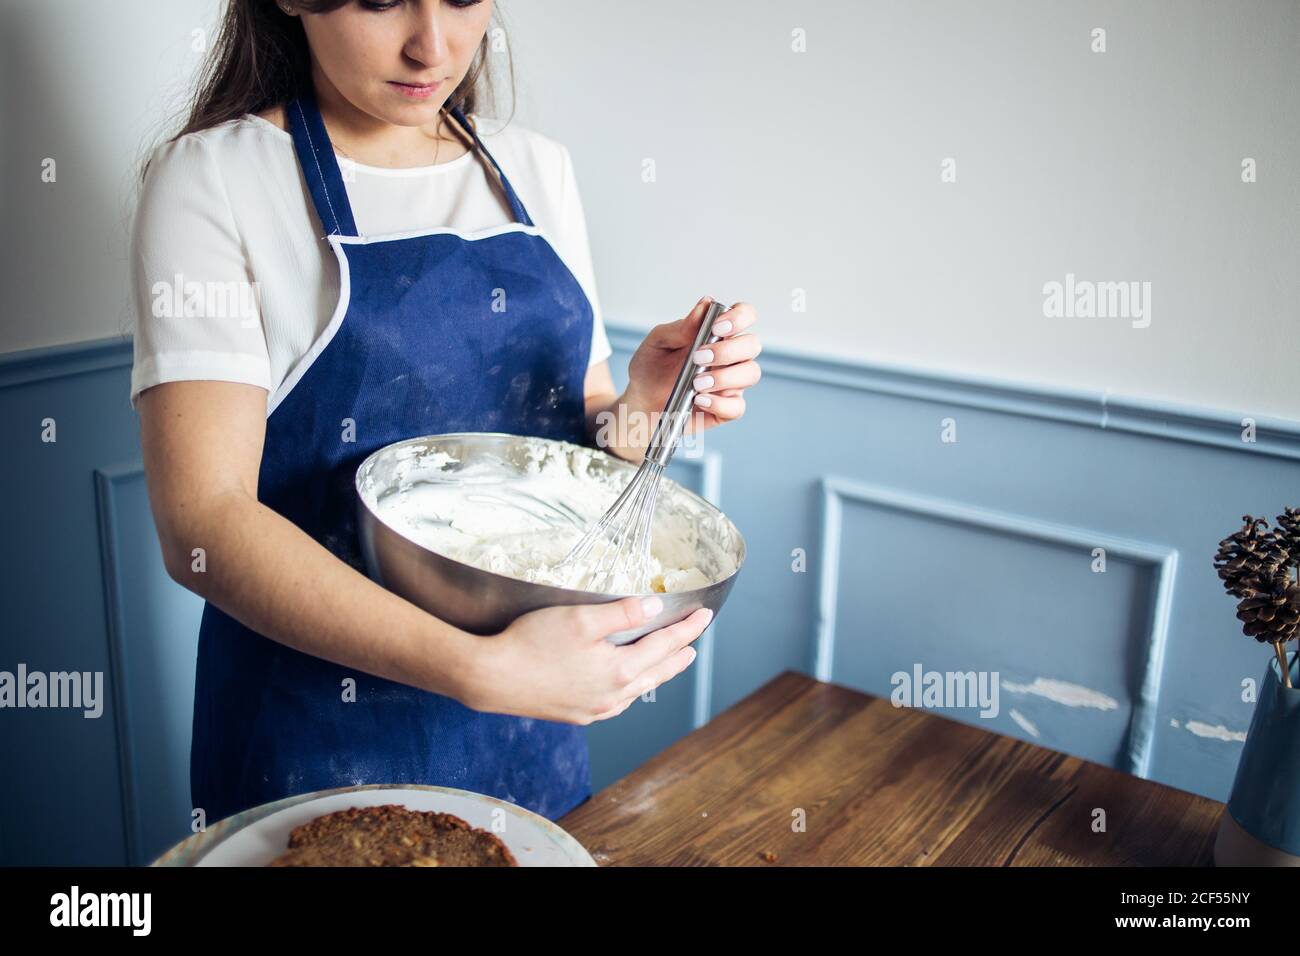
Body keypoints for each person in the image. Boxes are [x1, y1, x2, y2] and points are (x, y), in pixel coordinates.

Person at [131, 0, 762, 824]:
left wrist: (646, 405)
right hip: (319, 748)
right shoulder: (214, 180)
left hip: (532, 737)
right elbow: (202, 527)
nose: (434, 44)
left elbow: (570, 456)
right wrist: (481, 669)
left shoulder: (537, 170)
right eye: (380, 0)